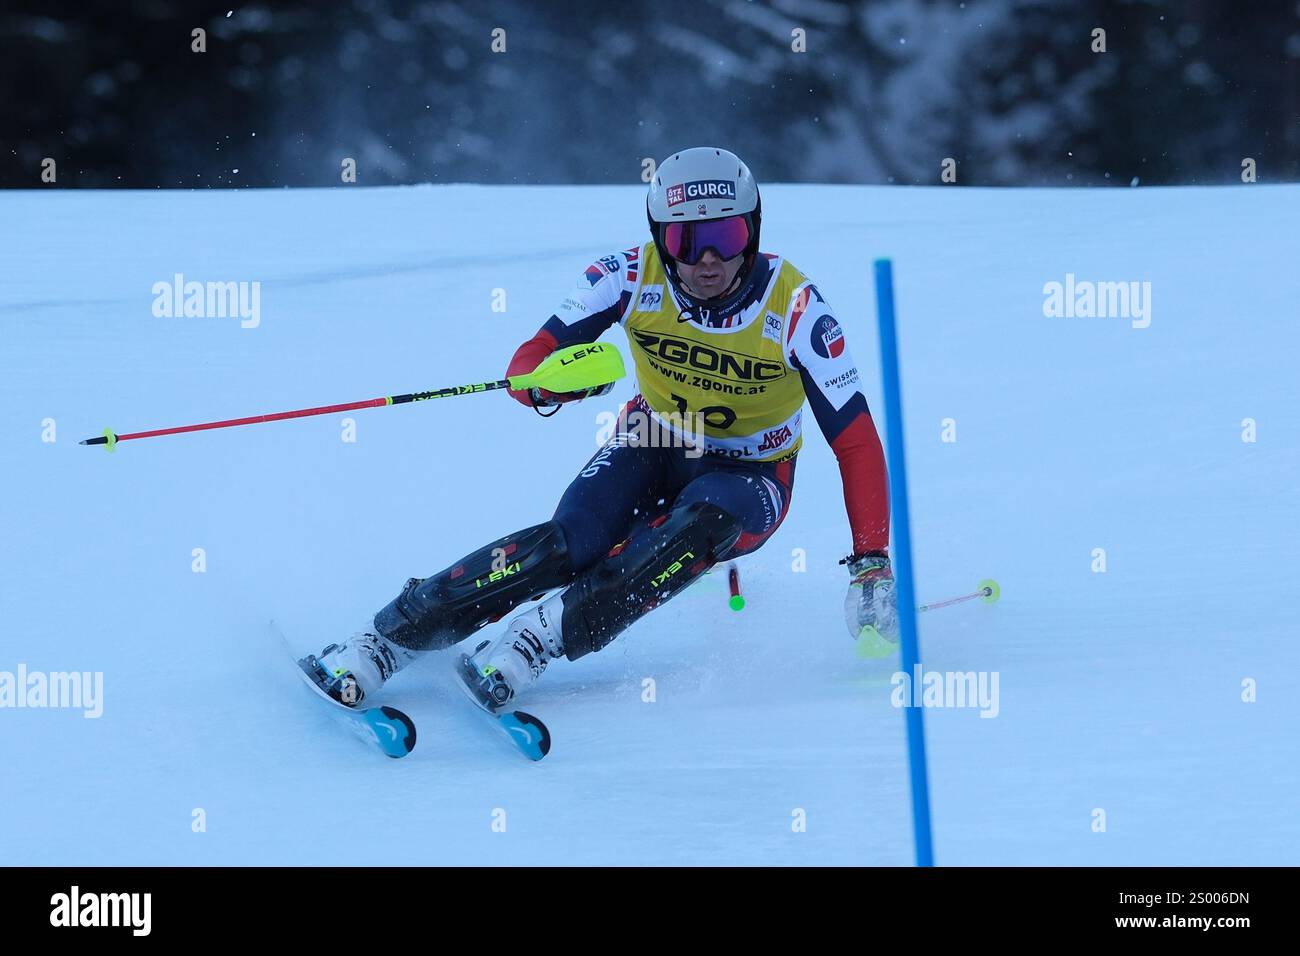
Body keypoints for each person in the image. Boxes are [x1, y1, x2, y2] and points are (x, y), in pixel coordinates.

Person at [305, 147, 897, 713]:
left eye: (726, 236)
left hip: (751, 474)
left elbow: (856, 441)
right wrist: (541, 379)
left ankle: (540, 637)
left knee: (695, 530)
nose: (708, 259)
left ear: (754, 232)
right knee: (567, 544)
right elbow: (536, 351)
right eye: (686, 241)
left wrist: (871, 561)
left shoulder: (795, 308)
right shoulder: (628, 275)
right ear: (660, 237)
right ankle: (386, 639)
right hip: (655, 441)